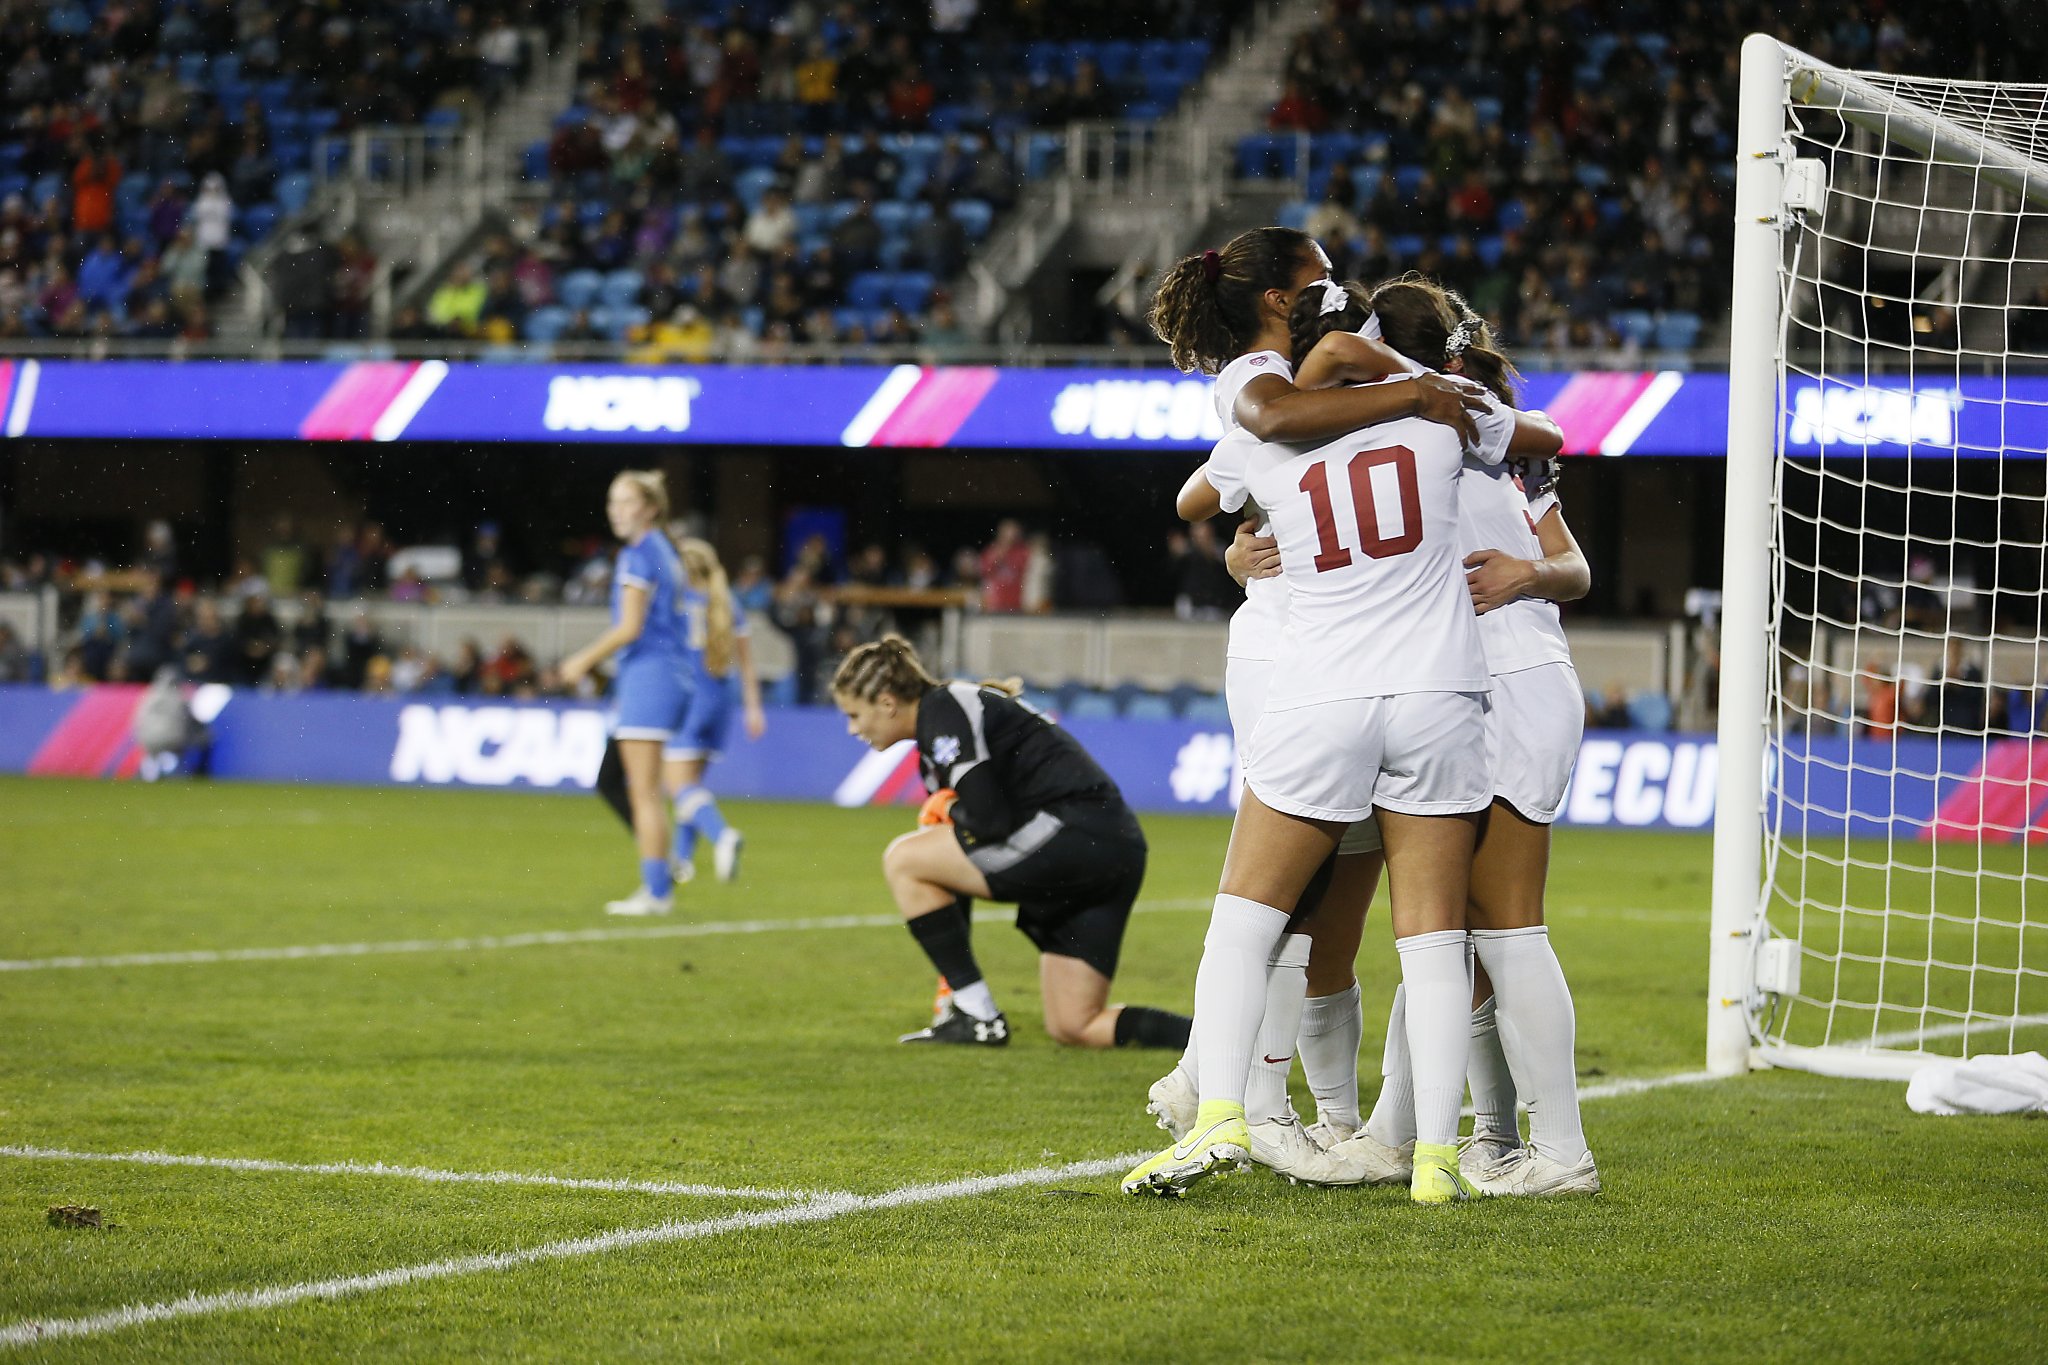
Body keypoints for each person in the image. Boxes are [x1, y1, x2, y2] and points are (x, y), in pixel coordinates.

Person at [1124, 268, 1522, 1203]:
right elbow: (1510, 431)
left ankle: (1222, 1113)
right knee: (1431, 941)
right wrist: (1405, 372)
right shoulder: (1436, 416)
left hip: (1321, 693)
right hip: (1437, 690)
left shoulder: (1262, 436)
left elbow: (1208, 492)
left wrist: (1325, 367)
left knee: (1245, 919)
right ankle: (1432, 1160)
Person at [1279, 276, 1599, 1197]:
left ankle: (1558, 1150)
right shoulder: (1461, 424)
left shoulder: (1430, 425)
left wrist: (1524, 573)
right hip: (1497, 683)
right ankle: (1429, 1133)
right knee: (1446, 932)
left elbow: (1570, 567)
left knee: (1503, 931)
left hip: (1505, 682)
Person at [832, 635, 1191, 1052]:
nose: (853, 728)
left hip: (1075, 836)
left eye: (855, 714)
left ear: (887, 702)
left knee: (905, 859)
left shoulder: (944, 711)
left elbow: (988, 818)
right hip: (1116, 849)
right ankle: (1219, 1041)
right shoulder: (951, 712)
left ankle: (976, 1014)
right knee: (1075, 1024)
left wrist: (949, 814)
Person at [559, 471, 695, 917]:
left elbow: (630, 627)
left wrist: (582, 659)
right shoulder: (664, 551)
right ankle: (660, 877)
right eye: (612, 502)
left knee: (643, 793)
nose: (616, 511)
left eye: (626, 502)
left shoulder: (639, 555)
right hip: (666, 674)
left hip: (649, 676)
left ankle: (657, 890)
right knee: (629, 785)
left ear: (650, 509)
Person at [664, 538, 767, 886]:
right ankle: (683, 861)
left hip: (688, 700)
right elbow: (748, 666)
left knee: (679, 787)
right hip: (720, 702)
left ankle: (721, 835)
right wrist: (754, 709)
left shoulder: (676, 602)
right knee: (692, 785)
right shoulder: (727, 603)